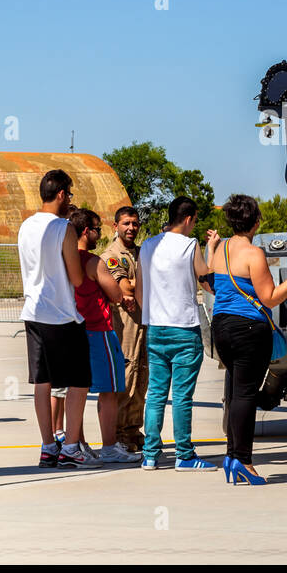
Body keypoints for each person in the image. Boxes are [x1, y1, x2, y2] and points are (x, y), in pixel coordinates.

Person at [207, 194, 287, 485]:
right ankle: (244, 460)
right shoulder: (254, 254)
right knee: (245, 395)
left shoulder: (221, 249)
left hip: (222, 327)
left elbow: (213, 283)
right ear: (256, 223)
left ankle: (232, 456)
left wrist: (210, 247)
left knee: (234, 391)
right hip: (248, 330)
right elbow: (270, 297)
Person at [18, 169, 99, 469]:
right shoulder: (63, 228)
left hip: (33, 313)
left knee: (42, 381)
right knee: (79, 381)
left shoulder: (25, 227)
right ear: (62, 194)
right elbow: (77, 279)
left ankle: (48, 446)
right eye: (70, 195)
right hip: (62, 314)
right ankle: (72, 446)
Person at [135, 196, 219, 471]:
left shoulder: (148, 246)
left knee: (156, 393)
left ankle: (150, 454)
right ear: (188, 218)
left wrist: (150, 313)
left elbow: (139, 290)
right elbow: (207, 282)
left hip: (156, 328)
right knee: (182, 395)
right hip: (184, 328)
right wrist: (212, 249)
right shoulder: (189, 245)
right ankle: (184, 454)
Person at [69, 208, 141, 463]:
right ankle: (110, 446)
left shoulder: (66, 260)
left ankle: (75, 443)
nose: (99, 234)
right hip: (99, 329)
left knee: (75, 390)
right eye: (97, 229)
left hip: (74, 328)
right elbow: (115, 292)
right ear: (86, 231)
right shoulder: (92, 261)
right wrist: (124, 297)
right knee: (109, 390)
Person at [101, 206, 146, 452]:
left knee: (141, 378)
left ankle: (132, 430)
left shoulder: (140, 253)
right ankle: (118, 433)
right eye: (126, 223)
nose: (131, 228)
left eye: (135, 223)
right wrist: (149, 281)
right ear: (115, 226)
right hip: (125, 326)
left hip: (142, 324)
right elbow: (125, 288)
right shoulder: (113, 255)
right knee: (126, 377)